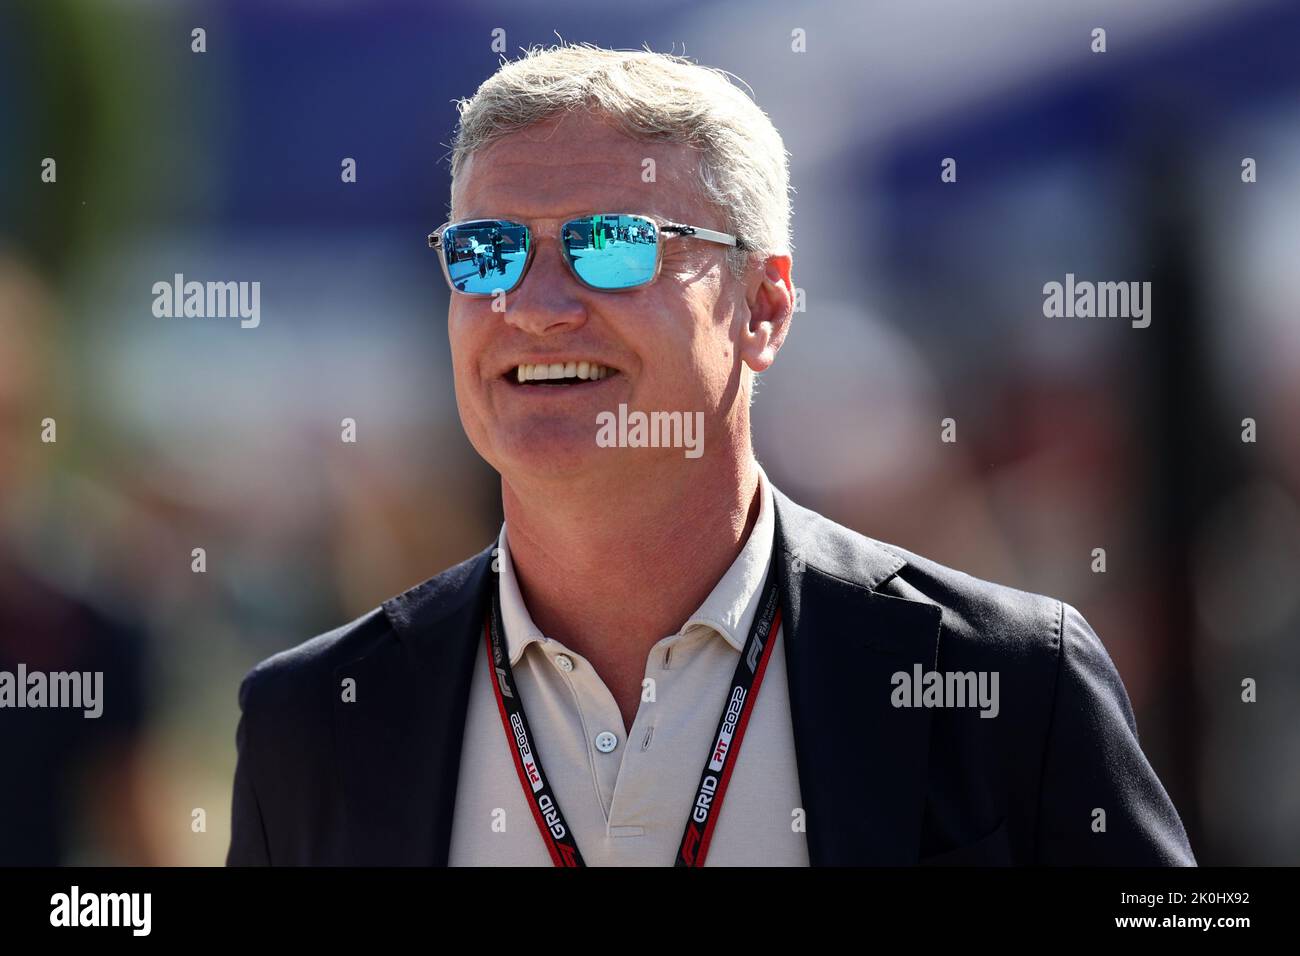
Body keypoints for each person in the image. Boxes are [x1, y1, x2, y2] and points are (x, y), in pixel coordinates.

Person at [227, 43, 1195, 867]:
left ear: (765, 306)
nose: (533, 304)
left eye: (611, 244)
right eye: (488, 251)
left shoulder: (1012, 686)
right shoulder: (315, 722)